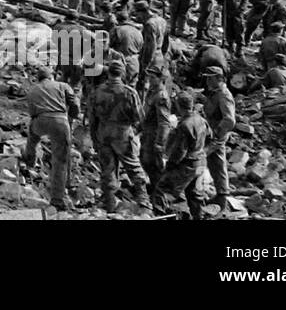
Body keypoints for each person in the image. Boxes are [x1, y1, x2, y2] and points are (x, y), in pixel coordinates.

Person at [88, 58, 150, 212]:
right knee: (133, 166)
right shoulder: (129, 92)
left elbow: (91, 119)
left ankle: (109, 203)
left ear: (108, 73)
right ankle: (144, 202)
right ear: (122, 73)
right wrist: (136, 133)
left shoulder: (97, 92)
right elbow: (140, 118)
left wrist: (95, 139)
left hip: (103, 132)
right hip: (122, 133)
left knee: (107, 169)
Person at [21, 66, 79, 211]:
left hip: (40, 121)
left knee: (32, 136)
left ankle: (29, 161)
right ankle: (57, 199)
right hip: (60, 121)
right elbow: (75, 103)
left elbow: (32, 113)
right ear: (51, 76)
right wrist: (72, 116)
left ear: (39, 78)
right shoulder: (62, 85)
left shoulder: (32, 90)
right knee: (60, 159)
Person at [154, 91, 208, 219]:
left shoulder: (185, 125)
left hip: (188, 164)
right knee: (194, 194)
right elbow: (210, 137)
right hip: (201, 162)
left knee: (162, 189)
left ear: (178, 106)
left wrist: (170, 165)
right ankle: (198, 217)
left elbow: (180, 151)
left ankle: (160, 215)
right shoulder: (201, 120)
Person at [202, 65, 236, 208]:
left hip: (217, 134)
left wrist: (216, 133)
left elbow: (229, 120)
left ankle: (221, 195)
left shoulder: (223, 94)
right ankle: (222, 194)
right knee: (215, 162)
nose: (207, 81)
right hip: (212, 131)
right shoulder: (215, 92)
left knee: (199, 157)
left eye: (210, 78)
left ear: (219, 78)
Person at [140, 66, 173, 194]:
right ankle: (155, 188)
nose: (150, 79)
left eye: (153, 77)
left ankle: (159, 192)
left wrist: (160, 142)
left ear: (160, 79)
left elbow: (164, 122)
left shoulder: (161, 96)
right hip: (147, 132)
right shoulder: (152, 91)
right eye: (149, 77)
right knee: (145, 161)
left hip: (154, 134)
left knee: (154, 164)